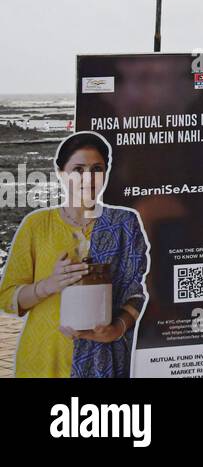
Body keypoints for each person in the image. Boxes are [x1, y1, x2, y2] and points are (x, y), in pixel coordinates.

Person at [0, 132, 149, 377]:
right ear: (61, 173)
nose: (88, 178)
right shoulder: (37, 225)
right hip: (45, 357)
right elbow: (7, 297)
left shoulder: (123, 222)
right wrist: (49, 285)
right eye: (78, 169)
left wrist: (118, 328)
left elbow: (135, 292)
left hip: (103, 358)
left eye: (96, 169)